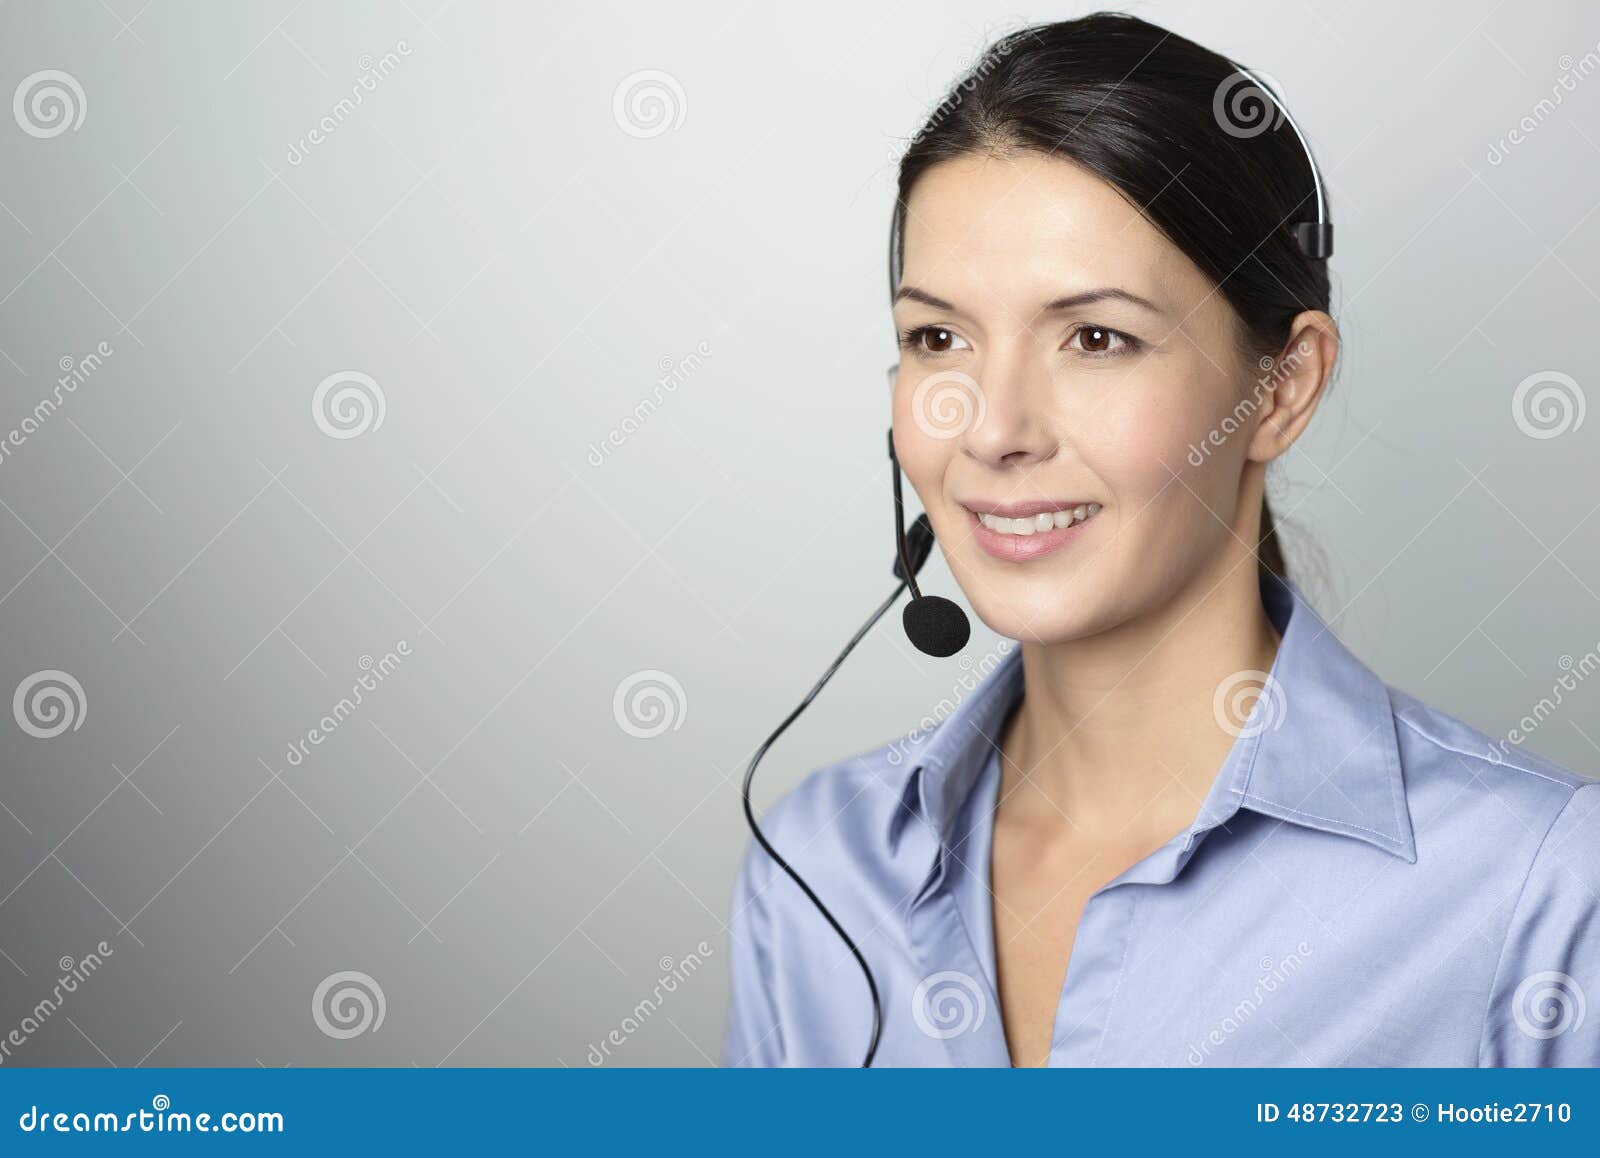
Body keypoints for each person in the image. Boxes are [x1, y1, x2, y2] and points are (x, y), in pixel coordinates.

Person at [721, 11, 1600, 1067]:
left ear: (1281, 387)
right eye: (937, 337)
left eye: (1096, 338)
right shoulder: (818, 866)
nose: (992, 431)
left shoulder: (1537, 889)